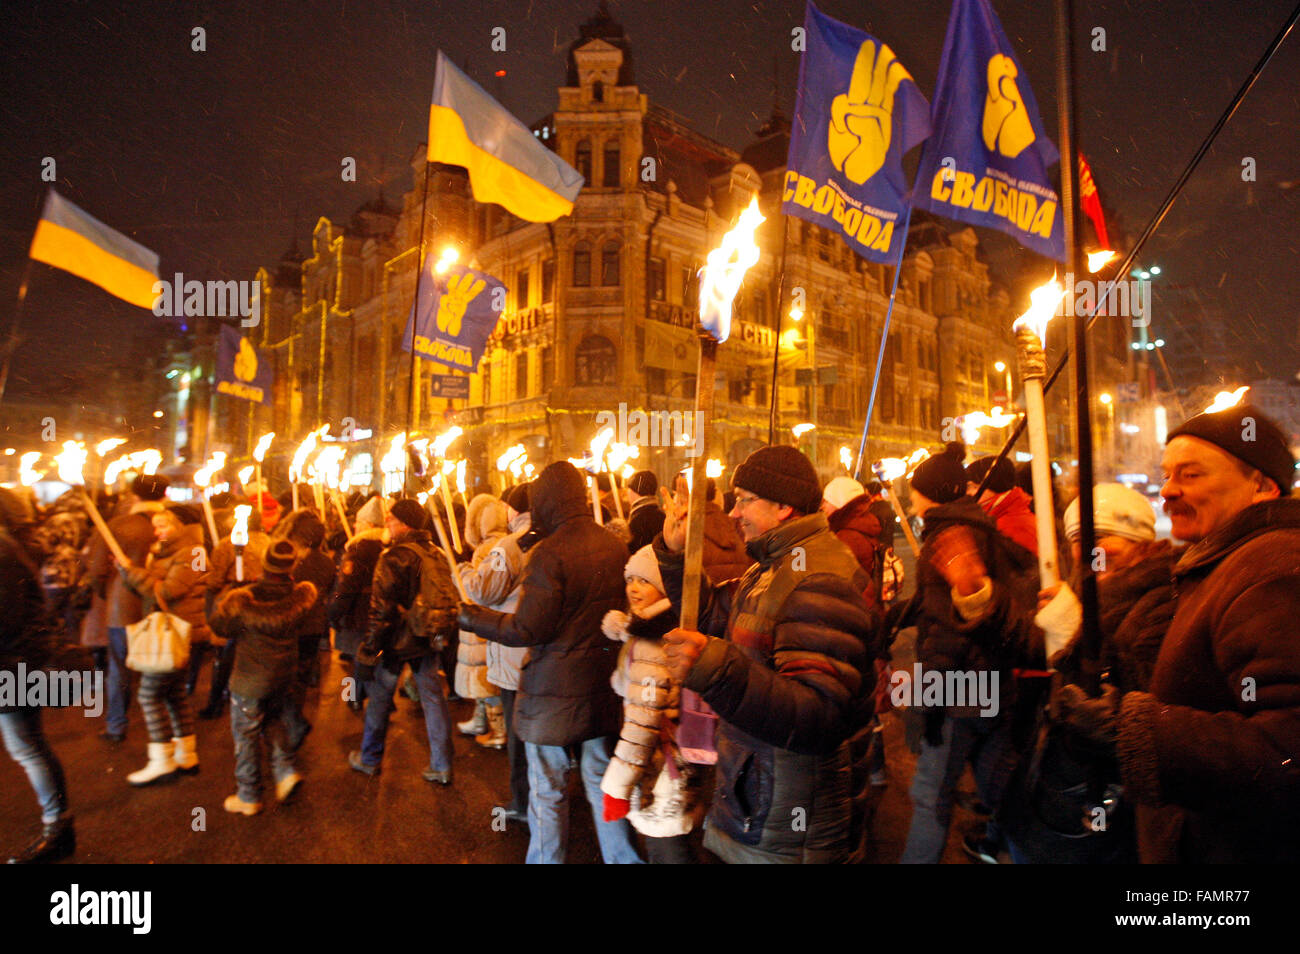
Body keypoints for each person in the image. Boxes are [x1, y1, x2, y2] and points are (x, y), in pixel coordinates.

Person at [1051, 403, 1300, 862]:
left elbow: (1288, 748)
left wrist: (1135, 733)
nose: (1166, 491)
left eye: (1190, 475)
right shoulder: (1222, 562)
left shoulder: (1272, 568)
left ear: (1262, 485)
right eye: (1166, 475)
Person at [656, 445, 877, 864]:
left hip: (792, 821)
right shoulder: (772, 564)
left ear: (783, 507)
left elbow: (818, 715)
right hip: (760, 790)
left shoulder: (818, 579)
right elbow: (712, 618)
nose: (734, 513)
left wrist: (715, 669)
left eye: (744, 500)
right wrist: (675, 555)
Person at [458, 461, 642, 864]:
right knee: (601, 781)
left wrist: (473, 617)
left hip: (553, 694)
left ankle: (545, 859)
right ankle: (623, 859)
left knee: (548, 788)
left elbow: (528, 629)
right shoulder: (613, 545)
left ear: (546, 503)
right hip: (601, 687)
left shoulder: (549, 553)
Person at [999, 483, 1173, 864]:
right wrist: (982, 600)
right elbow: (1041, 651)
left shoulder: (1163, 594)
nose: (1088, 550)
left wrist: (1073, 633)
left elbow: (1145, 692)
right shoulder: (1084, 586)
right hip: (1059, 771)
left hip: (1110, 788)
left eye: (1105, 536)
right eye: (1077, 538)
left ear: (1140, 540)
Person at [895, 443, 1040, 864]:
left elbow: (944, 636)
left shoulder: (947, 536)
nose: (909, 498)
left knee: (930, 795)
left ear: (931, 495)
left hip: (961, 693)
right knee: (1000, 790)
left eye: (914, 491)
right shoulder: (980, 527)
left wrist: (930, 706)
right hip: (994, 684)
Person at [600, 545, 705, 863]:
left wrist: (616, 786)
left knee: (667, 848)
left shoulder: (652, 643)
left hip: (662, 769)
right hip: (680, 763)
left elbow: (642, 725)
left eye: (644, 581)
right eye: (630, 579)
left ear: (665, 586)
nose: (633, 587)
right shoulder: (654, 630)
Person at [350, 499, 457, 785]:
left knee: (380, 699)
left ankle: (369, 758)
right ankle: (442, 764)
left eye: (391, 519)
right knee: (434, 699)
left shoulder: (394, 557)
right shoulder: (435, 552)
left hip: (397, 642)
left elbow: (381, 610)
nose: (387, 523)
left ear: (406, 523)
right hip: (427, 637)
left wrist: (370, 648)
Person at [209, 540, 318, 815]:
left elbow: (220, 627)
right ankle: (284, 771)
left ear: (264, 564)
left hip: (250, 679)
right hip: (283, 674)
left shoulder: (247, 598)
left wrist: (233, 596)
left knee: (245, 734)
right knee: (273, 720)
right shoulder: (299, 597)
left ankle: (248, 794)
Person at [120, 504, 211, 786]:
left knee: (149, 695)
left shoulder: (191, 551)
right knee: (174, 695)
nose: (158, 532)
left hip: (176, 634)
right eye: (156, 527)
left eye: (165, 525)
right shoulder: (169, 551)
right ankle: (186, 754)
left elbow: (171, 590)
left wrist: (132, 572)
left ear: (180, 526)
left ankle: (162, 761)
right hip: (179, 633)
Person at [1, 520, 75, 863]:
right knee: (27, 745)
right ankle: (58, 825)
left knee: (27, 746)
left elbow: (8, 618)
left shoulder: (2, 551)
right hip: (17, 658)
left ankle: (57, 828)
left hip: (14, 662)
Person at [462, 481, 534, 824]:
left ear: (514, 510)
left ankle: (523, 802)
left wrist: (462, 572)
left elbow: (483, 591)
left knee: (519, 735)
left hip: (513, 654)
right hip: (540, 654)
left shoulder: (511, 546)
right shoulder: (549, 539)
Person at [83, 474, 169, 743]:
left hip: (125, 606)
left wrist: (105, 594)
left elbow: (96, 569)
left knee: (120, 667)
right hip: (164, 602)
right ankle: (167, 723)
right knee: (162, 664)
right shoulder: (176, 525)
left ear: (135, 494)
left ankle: (117, 725)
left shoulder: (118, 525)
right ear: (165, 494)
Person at [199, 503, 271, 719]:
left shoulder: (227, 544)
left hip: (233, 601)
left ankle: (216, 700)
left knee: (224, 655)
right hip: (260, 602)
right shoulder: (269, 542)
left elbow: (215, 580)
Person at [452, 493, 510, 744]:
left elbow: (478, 591)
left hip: (482, 622)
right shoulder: (506, 543)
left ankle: (498, 730)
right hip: (496, 621)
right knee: (484, 677)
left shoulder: (486, 549)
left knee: (486, 680)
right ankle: (481, 720)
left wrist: (461, 570)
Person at [327, 495, 386, 713]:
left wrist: (333, 612)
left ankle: (350, 698)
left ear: (369, 525)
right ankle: (371, 698)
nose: (355, 526)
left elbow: (346, 589)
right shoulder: (387, 546)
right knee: (372, 659)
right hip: (378, 614)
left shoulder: (358, 549)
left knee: (351, 661)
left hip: (357, 615)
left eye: (359, 523)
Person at [966, 455, 1038, 555]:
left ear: (993, 486)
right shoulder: (1004, 516)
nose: (968, 493)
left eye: (973, 487)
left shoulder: (1012, 528)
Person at [700, 478, 751, 584]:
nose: (736, 513)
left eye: (744, 499)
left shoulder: (687, 533)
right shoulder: (734, 528)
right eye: (737, 499)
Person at [625, 470, 665, 554]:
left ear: (634, 491)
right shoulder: (661, 515)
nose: (627, 492)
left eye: (628, 488)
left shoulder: (638, 520)